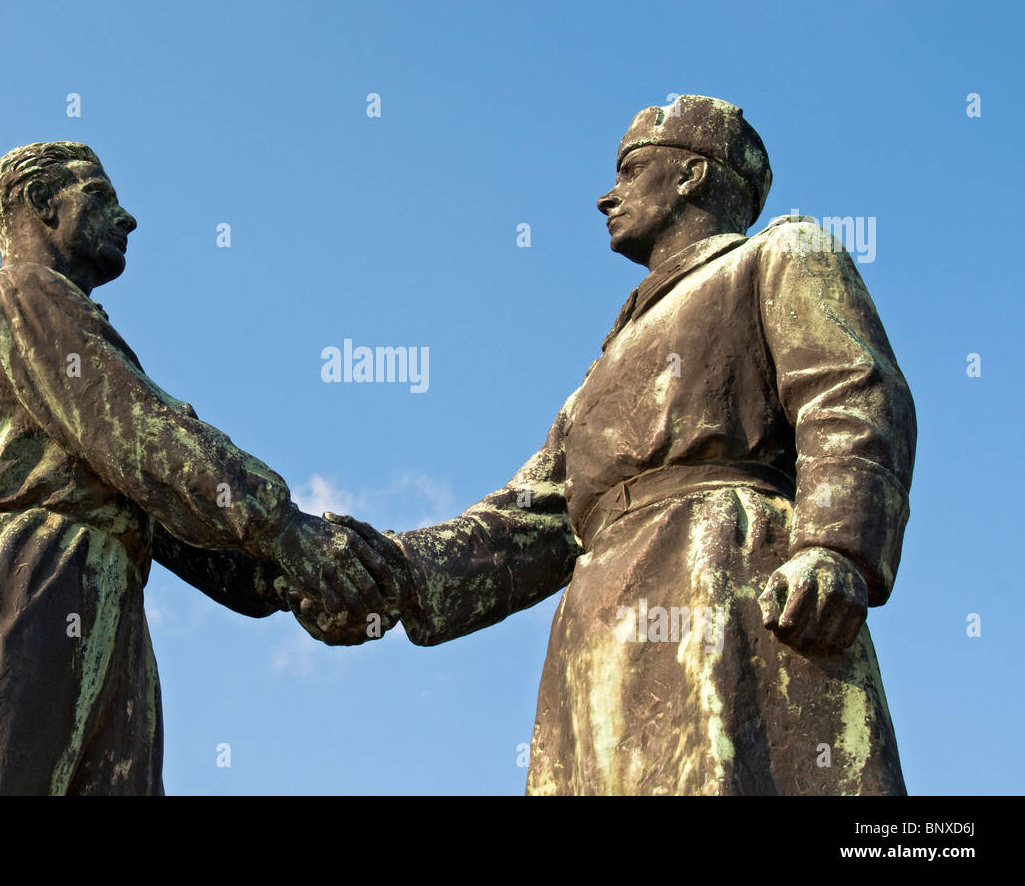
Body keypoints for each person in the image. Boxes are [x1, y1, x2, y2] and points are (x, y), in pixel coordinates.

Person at [333, 96, 917, 795]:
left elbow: (848, 393)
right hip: (600, 627)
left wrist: (834, 547)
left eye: (632, 169)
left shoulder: (778, 256)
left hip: (724, 579)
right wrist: (388, 570)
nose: (607, 196)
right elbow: (531, 518)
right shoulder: (602, 368)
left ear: (693, 174)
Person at [0, 141, 396, 795]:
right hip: (34, 581)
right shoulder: (19, 293)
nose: (127, 218)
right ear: (42, 203)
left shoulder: (42, 317)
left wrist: (282, 579)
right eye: (99, 196)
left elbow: (152, 497)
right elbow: (139, 431)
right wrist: (285, 530)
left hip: (96, 583)